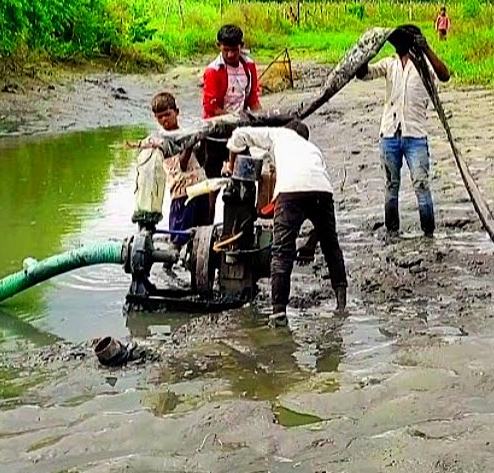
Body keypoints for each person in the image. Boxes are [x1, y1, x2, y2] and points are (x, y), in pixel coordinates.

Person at [224, 120, 346, 325]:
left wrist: (231, 164)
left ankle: (279, 312)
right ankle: (341, 304)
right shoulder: (313, 150)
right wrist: (310, 244)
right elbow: (321, 223)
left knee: (281, 252)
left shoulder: (278, 134)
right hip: (322, 190)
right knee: (331, 246)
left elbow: (239, 134)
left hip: (290, 192)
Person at [355, 25, 451, 238]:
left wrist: (426, 49)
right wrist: (368, 52)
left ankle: (428, 232)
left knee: (421, 185)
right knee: (391, 186)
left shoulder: (424, 66)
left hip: (415, 134)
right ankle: (392, 230)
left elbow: (444, 75)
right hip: (389, 134)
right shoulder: (390, 64)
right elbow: (363, 74)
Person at [148, 92, 212, 232]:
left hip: (200, 188)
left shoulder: (186, 132)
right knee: (180, 237)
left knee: (203, 233)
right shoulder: (162, 141)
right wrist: (190, 143)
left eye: (167, 114)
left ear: (176, 112)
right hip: (182, 193)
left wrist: (202, 139)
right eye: (160, 117)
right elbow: (182, 165)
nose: (164, 120)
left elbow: (201, 161)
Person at [202, 24, 262, 119]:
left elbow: (253, 99)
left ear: (241, 46)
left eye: (234, 50)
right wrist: (235, 118)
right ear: (218, 46)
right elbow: (211, 107)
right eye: (226, 50)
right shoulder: (213, 71)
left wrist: (262, 117)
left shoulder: (249, 66)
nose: (230, 54)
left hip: (241, 118)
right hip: (217, 121)